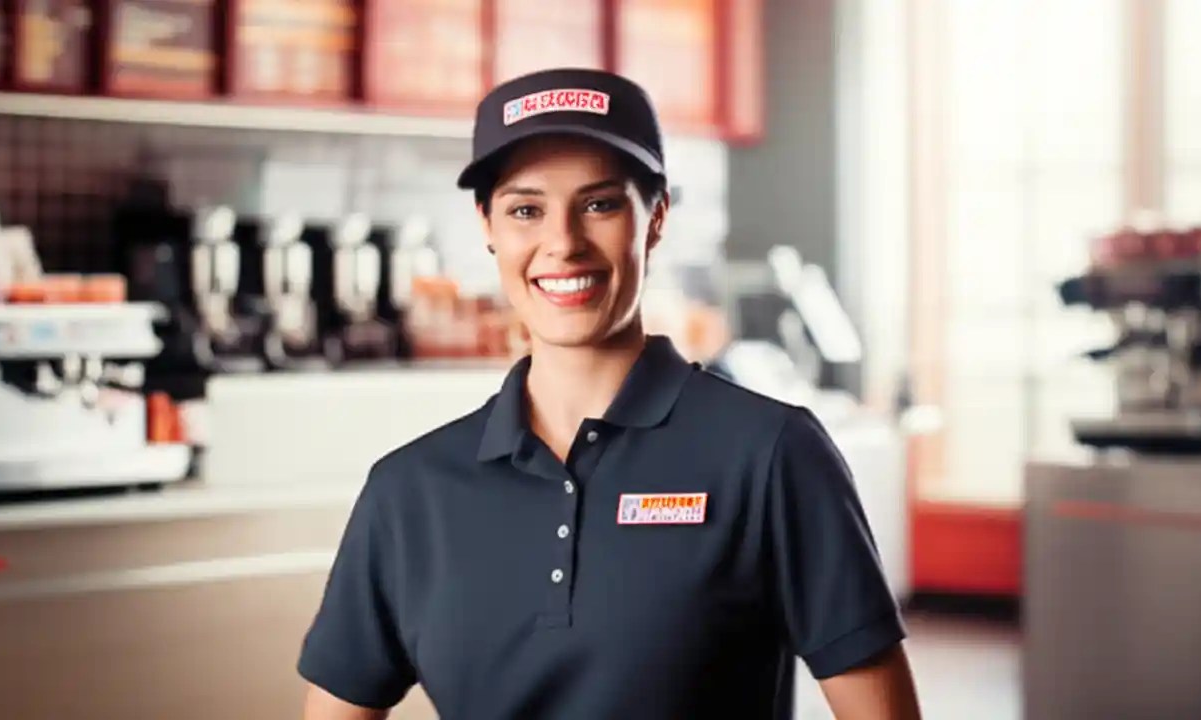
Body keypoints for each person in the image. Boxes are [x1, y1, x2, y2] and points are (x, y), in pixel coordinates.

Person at [299, 68, 922, 720]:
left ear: (654, 219)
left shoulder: (769, 455)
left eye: (600, 204)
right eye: (525, 210)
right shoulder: (409, 492)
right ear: (486, 224)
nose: (562, 244)